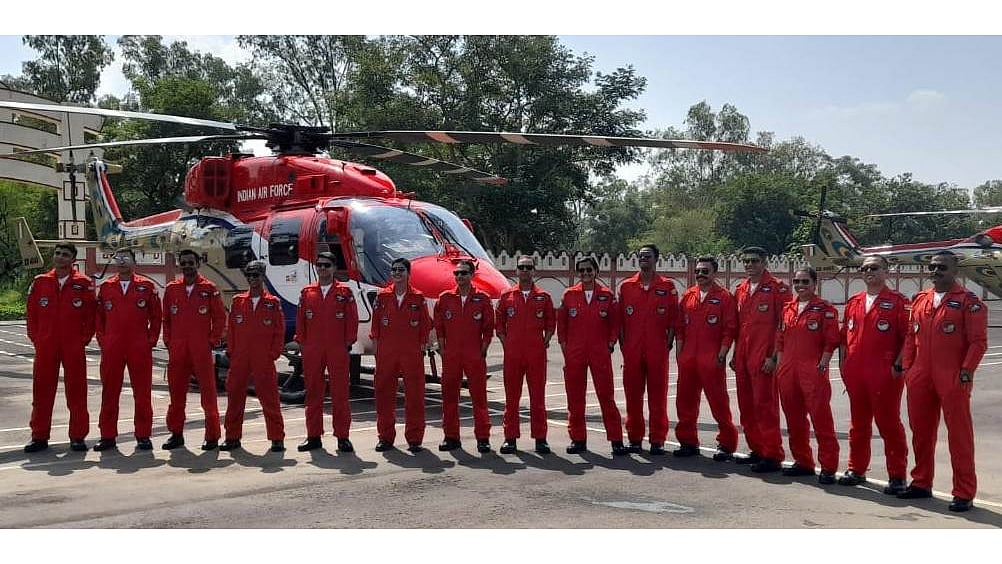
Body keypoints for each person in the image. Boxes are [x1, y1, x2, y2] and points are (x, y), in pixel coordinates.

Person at [898, 251, 987, 512]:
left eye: (943, 267)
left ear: (955, 270)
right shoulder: (920, 300)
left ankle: (963, 491)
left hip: (952, 375)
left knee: (959, 436)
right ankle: (921, 482)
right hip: (920, 375)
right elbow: (909, 338)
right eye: (933, 266)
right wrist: (907, 368)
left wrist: (966, 371)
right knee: (921, 433)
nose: (937, 271)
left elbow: (978, 342)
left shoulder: (969, 302)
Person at [837, 255, 910, 493]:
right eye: (865, 268)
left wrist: (898, 366)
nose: (869, 271)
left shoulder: (898, 302)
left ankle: (897, 475)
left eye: (874, 267)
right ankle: (856, 469)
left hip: (884, 371)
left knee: (888, 424)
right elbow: (844, 341)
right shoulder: (854, 302)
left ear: (886, 271)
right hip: (856, 371)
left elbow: (908, 338)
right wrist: (844, 367)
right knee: (858, 424)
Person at [23, 242, 96, 453]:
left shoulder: (83, 283)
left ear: (73, 259)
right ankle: (39, 436)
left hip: (73, 345)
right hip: (46, 345)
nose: (60, 257)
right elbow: (31, 315)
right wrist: (37, 338)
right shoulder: (40, 282)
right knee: (42, 391)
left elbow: (90, 315)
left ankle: (78, 436)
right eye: (57, 253)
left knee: (77, 391)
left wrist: (83, 339)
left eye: (65, 254)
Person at [775, 267, 841, 484]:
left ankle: (829, 466)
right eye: (797, 282)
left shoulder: (825, 309)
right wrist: (781, 364)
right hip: (788, 370)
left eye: (805, 282)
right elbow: (781, 339)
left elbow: (831, 341)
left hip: (812, 369)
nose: (800, 286)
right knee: (794, 419)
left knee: (821, 419)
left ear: (814, 284)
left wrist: (822, 365)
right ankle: (803, 461)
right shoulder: (788, 309)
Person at [93, 248, 161, 452]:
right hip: (113, 346)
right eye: (118, 258)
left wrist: (150, 340)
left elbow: (156, 316)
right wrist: (103, 341)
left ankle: (143, 435)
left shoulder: (146, 286)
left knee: (142, 392)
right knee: (109, 391)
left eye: (126, 258)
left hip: (139, 345)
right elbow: (99, 318)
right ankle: (107, 435)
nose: (122, 262)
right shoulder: (106, 287)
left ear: (134, 262)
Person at [557, 256, 626, 456]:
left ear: (596, 271)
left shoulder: (607, 295)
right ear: (578, 273)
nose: (586, 274)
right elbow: (561, 326)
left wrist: (610, 344)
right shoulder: (569, 295)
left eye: (589, 270)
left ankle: (616, 440)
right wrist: (565, 349)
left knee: (606, 396)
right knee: (575, 398)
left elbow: (615, 324)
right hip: (575, 353)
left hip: (599, 352)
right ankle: (578, 439)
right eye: (582, 271)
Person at [290, 252, 359, 453]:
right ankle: (313, 436)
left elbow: (352, 320)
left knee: (340, 393)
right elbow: (300, 321)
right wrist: (302, 344)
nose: (322, 268)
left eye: (326, 265)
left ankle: (342, 437)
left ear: (334, 268)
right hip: (313, 349)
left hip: (337, 348)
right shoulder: (307, 292)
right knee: (313, 393)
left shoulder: (344, 292)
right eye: (319, 265)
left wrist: (347, 342)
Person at [674, 256, 739, 460]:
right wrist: (680, 353)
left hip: (711, 359)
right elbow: (680, 328)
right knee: (685, 402)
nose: (701, 275)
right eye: (698, 271)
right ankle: (688, 442)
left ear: (714, 273)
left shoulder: (724, 297)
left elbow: (730, 329)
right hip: (689, 359)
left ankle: (726, 444)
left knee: (718, 403)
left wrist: (722, 353)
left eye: (705, 271)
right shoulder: (688, 296)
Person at [732, 246, 790, 473]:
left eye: (754, 261)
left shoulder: (777, 288)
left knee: (765, 406)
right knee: (746, 405)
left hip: (764, 356)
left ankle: (772, 454)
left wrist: (774, 356)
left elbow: (782, 324)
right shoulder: (742, 289)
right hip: (744, 356)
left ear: (765, 262)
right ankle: (757, 449)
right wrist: (736, 354)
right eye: (746, 261)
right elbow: (739, 326)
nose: (750, 265)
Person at [161, 250, 226, 451]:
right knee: (176, 394)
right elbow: (166, 319)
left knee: (208, 393)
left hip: (201, 349)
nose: (187, 266)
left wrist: (212, 341)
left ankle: (212, 435)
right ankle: (176, 433)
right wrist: (169, 342)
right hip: (178, 350)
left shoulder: (209, 288)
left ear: (198, 264)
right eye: (184, 263)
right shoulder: (172, 289)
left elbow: (220, 318)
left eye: (191, 262)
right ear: (180, 265)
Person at [617, 244, 677, 455]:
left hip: (657, 350)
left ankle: (657, 440)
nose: (644, 259)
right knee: (633, 396)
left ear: (656, 259)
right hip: (632, 350)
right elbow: (620, 322)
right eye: (641, 256)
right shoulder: (626, 286)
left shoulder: (667, 286)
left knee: (657, 397)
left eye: (648, 256)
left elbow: (673, 321)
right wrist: (625, 346)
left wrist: (667, 344)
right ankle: (634, 438)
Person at [221, 260, 286, 453]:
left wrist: (273, 354)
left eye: (256, 275)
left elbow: (279, 331)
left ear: (262, 276)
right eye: (249, 275)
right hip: (240, 357)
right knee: (234, 398)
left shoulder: (272, 304)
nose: (252, 279)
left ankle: (277, 438)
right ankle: (232, 437)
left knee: (270, 398)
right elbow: (231, 329)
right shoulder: (238, 302)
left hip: (263, 358)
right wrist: (232, 352)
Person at [370, 258, 432, 453]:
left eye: (401, 270)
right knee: (384, 396)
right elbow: (375, 328)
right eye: (394, 270)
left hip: (411, 353)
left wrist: (421, 349)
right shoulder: (382, 297)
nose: (397, 273)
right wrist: (377, 354)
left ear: (408, 274)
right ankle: (385, 437)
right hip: (387, 353)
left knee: (415, 396)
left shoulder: (418, 298)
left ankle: (414, 438)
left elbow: (425, 326)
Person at [496, 256, 556, 455]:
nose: (525, 271)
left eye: (528, 267)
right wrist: (508, 344)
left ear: (534, 271)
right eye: (521, 267)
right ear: (516, 272)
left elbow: (550, 324)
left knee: (537, 397)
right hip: (513, 354)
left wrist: (544, 342)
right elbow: (499, 325)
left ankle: (540, 439)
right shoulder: (507, 296)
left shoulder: (544, 297)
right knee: (512, 398)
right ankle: (510, 438)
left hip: (535, 354)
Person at [434, 260, 495, 453]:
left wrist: (483, 349)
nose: (460, 277)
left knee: (479, 397)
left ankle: (483, 438)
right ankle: (451, 436)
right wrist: (443, 350)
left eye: (464, 273)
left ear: (472, 275)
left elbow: (488, 327)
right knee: (449, 397)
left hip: (473, 354)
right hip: (451, 354)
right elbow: (439, 327)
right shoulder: (445, 298)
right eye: (457, 273)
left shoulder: (482, 299)